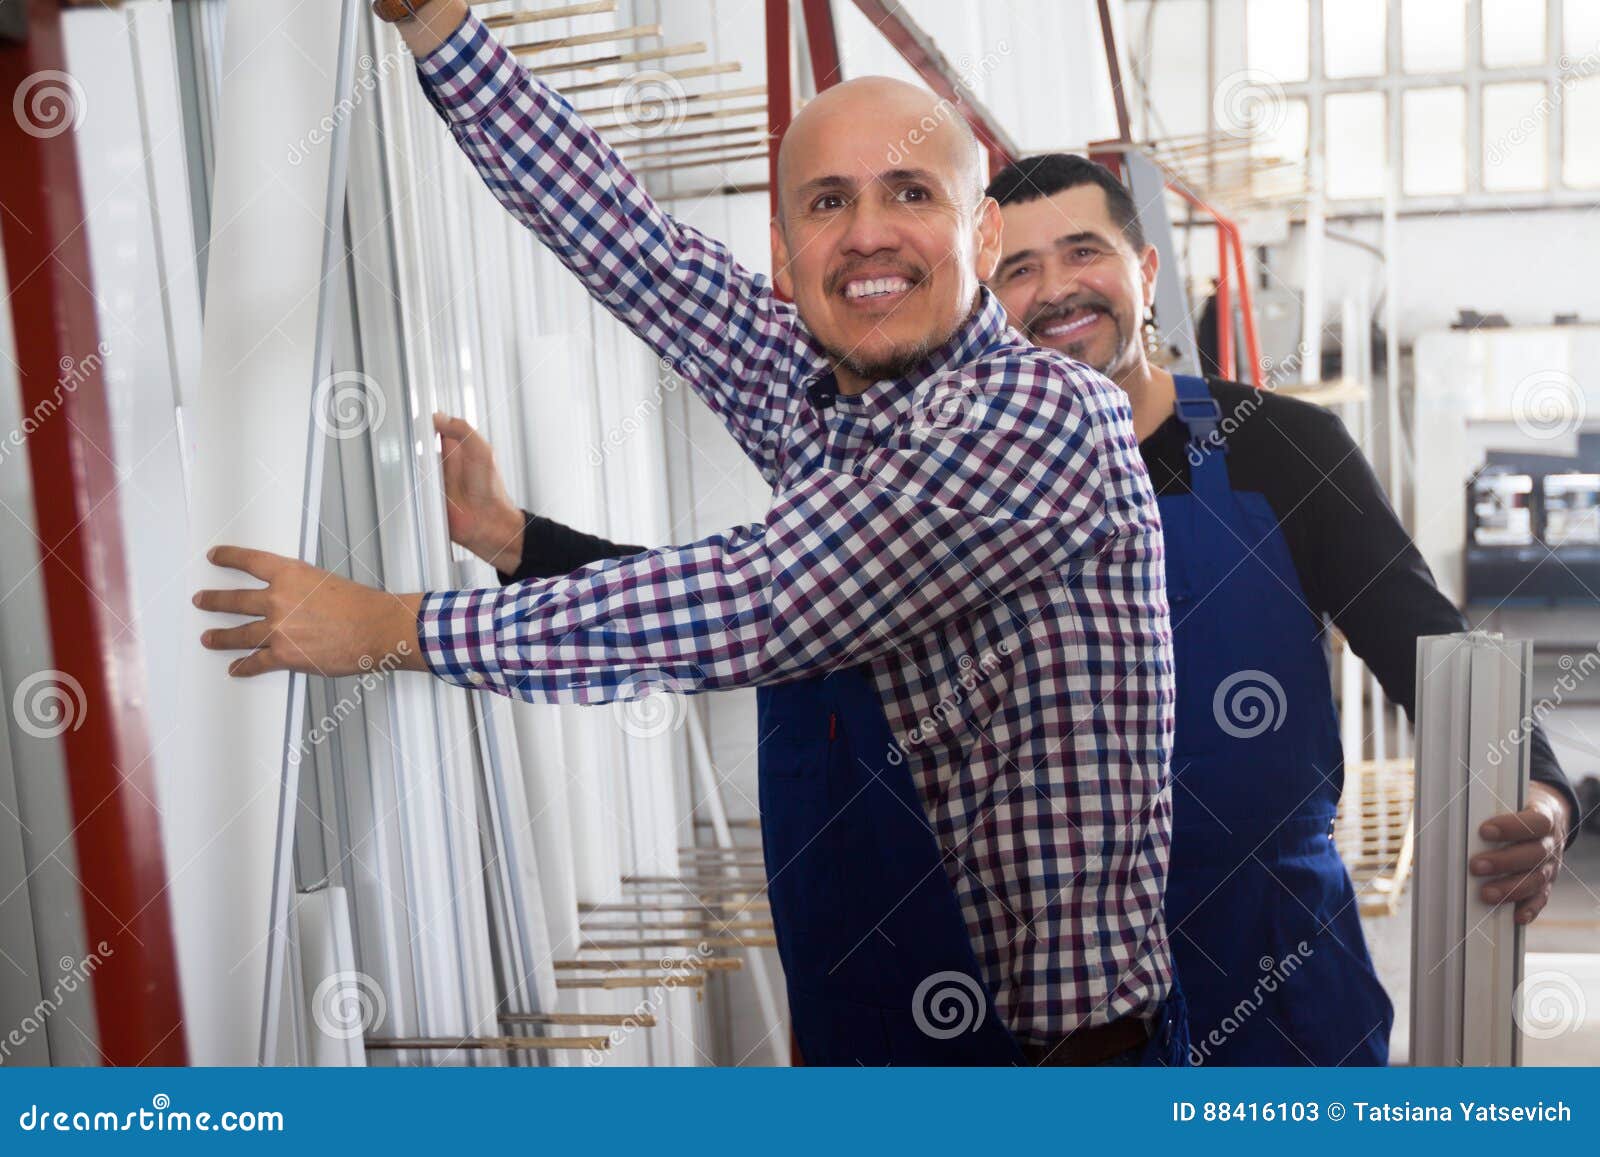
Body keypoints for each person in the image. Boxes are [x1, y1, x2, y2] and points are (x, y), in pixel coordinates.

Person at [196, 1, 1185, 1066]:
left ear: (981, 234)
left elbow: (763, 599)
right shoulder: (825, 386)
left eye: (910, 193)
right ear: (786, 246)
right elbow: (637, 252)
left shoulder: (1039, 415)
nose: (865, 235)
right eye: (827, 203)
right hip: (859, 1017)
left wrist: (398, 627)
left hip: (1047, 1062)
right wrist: (440, 29)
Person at [982, 154, 1576, 1064]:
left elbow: (1429, 645)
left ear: (1144, 271)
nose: (1055, 290)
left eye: (1082, 251)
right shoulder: (960, 492)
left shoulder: (1282, 449)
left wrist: (1538, 794)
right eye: (1017, 270)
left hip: (1282, 975)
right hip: (1054, 998)